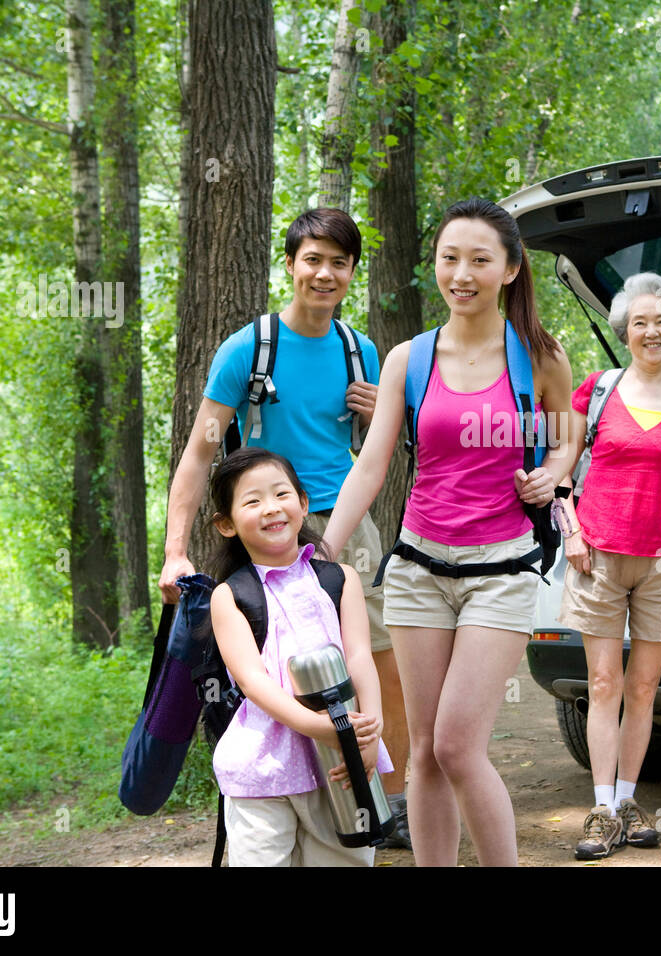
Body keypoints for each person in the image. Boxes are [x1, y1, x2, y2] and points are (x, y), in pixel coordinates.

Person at [320, 198, 576, 866]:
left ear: (511, 269)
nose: (461, 274)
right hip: (417, 569)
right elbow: (371, 467)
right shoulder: (409, 358)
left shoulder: (541, 357)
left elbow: (565, 437)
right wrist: (320, 556)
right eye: (449, 258)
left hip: (503, 570)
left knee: (458, 745)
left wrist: (551, 474)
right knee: (426, 753)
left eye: (479, 260)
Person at [157, 208, 412, 847]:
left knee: (376, 660)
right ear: (292, 264)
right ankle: (282, 792)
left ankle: (388, 800)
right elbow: (198, 453)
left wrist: (383, 412)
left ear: (352, 271)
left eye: (339, 263)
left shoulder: (361, 349)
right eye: (313, 260)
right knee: (271, 666)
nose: (325, 274)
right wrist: (174, 551)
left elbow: (380, 448)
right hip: (269, 524)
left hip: (347, 525)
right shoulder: (247, 349)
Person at [553, 273, 661, 860]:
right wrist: (571, 531)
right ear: (624, 331)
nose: (651, 331)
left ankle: (629, 801)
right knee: (603, 685)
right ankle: (601, 809)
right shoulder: (595, 390)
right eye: (639, 322)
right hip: (596, 552)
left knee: (645, 687)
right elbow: (559, 472)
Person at [207, 447, 392, 866]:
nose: (271, 508)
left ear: (304, 503)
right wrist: (318, 727)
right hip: (262, 769)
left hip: (339, 761)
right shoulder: (229, 596)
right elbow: (253, 682)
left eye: (281, 494)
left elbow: (361, 658)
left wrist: (369, 731)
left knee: (344, 858)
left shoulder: (339, 579)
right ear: (227, 524)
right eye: (252, 501)